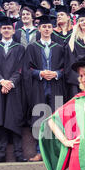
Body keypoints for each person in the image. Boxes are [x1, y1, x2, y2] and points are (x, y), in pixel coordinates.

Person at [24, 15, 65, 162]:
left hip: (56, 87)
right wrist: (39, 73)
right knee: (39, 119)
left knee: (57, 118)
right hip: (39, 87)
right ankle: (40, 151)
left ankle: (57, 151)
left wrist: (56, 74)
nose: (46, 29)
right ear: (39, 28)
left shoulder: (59, 48)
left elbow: (65, 68)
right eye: (44, 27)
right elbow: (26, 69)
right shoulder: (32, 47)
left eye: (49, 27)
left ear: (52, 29)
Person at [0, 17, 28, 163]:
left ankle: (18, 153)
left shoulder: (19, 48)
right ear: (0, 30)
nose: (6, 30)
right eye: (4, 28)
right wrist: (2, 81)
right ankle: (1, 153)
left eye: (8, 28)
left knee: (14, 119)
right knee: (0, 119)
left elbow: (21, 68)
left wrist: (10, 82)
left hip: (14, 89)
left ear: (13, 30)